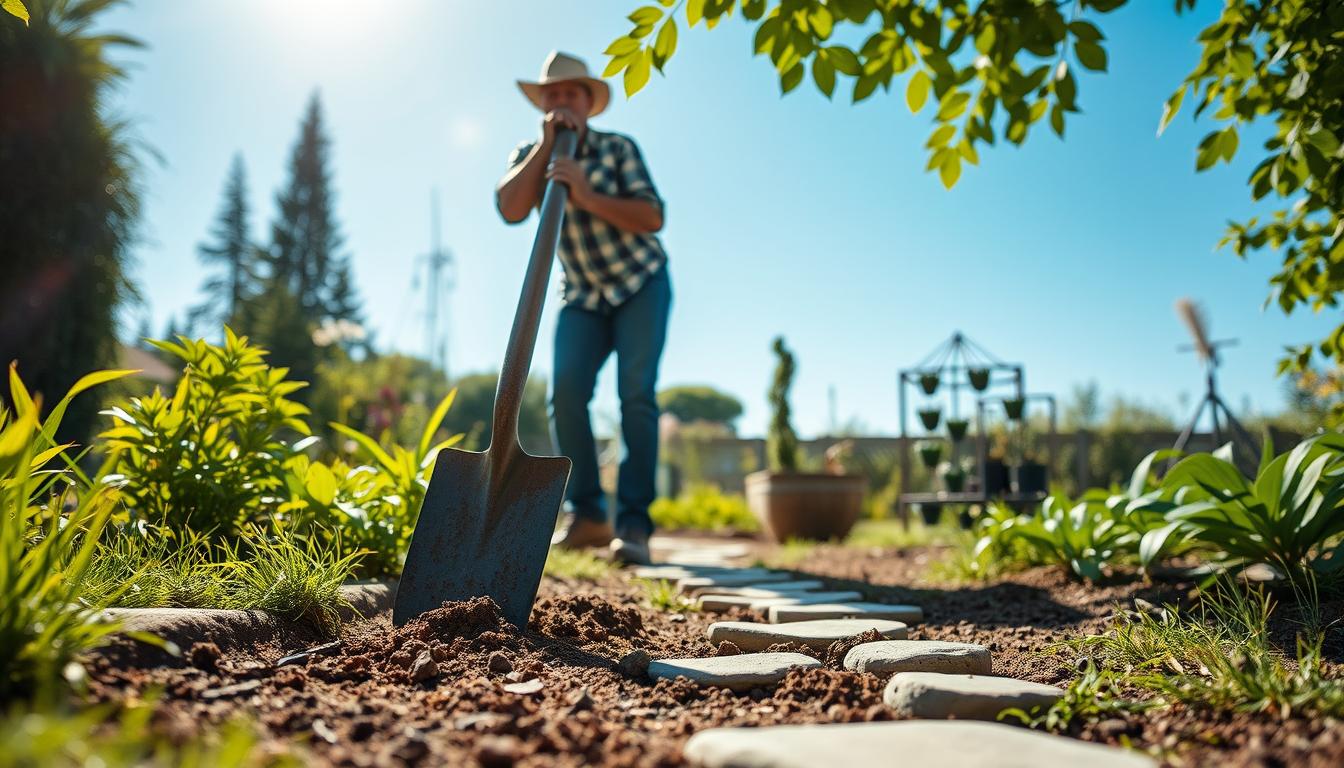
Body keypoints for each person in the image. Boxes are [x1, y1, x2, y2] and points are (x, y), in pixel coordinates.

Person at [496, 51, 671, 566]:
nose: (561, 101)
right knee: (566, 392)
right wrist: (548, 150)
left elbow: (652, 215)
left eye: (572, 92)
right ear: (543, 104)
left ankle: (634, 525)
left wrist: (588, 194)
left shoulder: (618, 148)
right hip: (584, 297)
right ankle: (589, 515)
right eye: (552, 94)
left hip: (640, 283)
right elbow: (510, 208)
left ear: (589, 103)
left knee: (635, 394)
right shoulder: (531, 153)